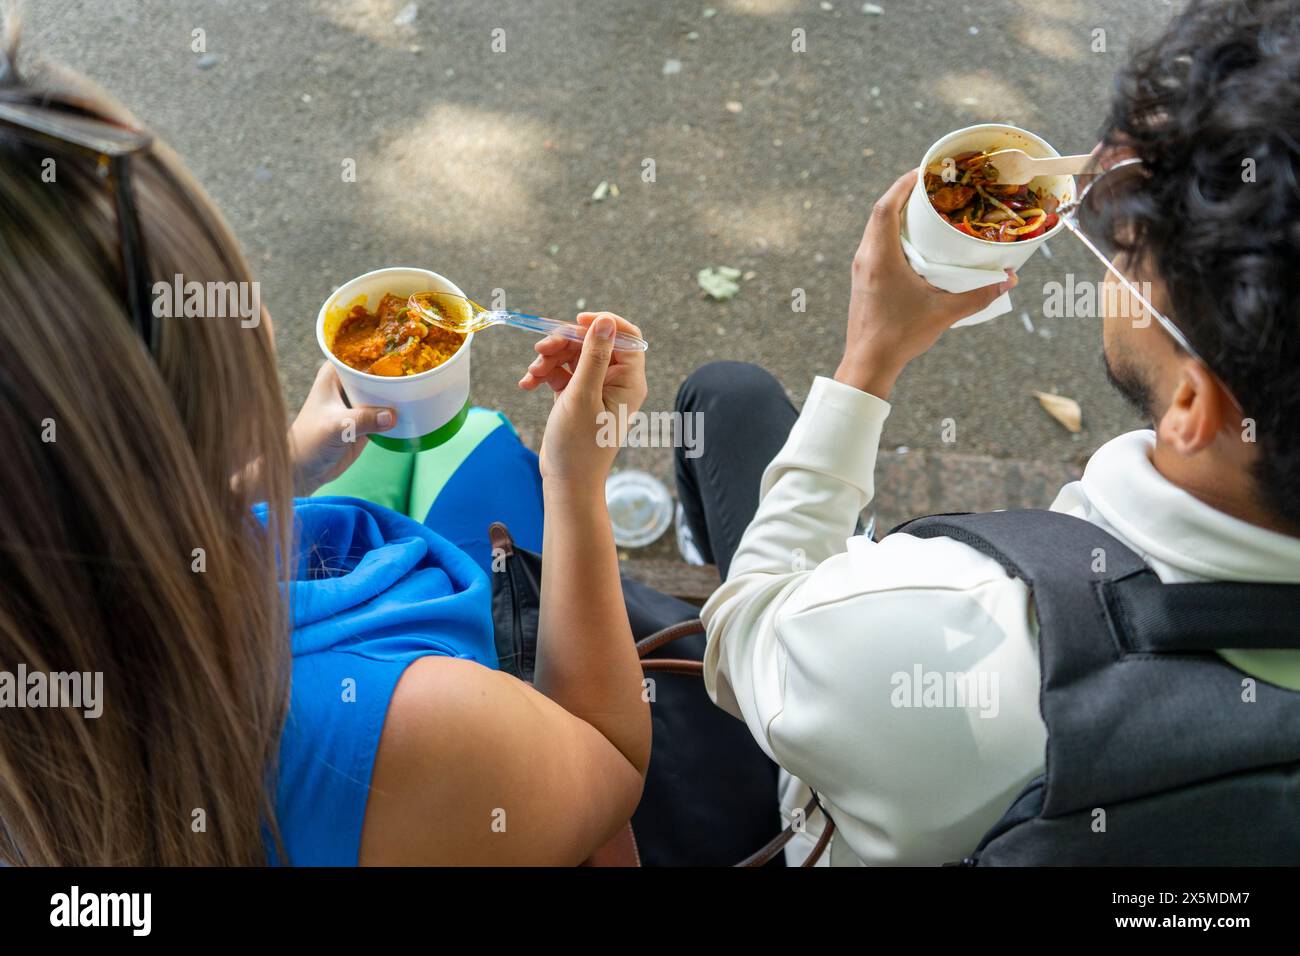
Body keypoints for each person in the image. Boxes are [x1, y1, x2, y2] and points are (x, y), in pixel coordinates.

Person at [0, 22, 651, 866]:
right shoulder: (398, 734)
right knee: (495, 464)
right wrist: (575, 480)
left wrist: (252, 478)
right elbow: (612, 763)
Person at [680, 0, 1300, 865]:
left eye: (1129, 232)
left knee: (725, 398)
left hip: (815, 782)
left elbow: (740, 638)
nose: (1113, 237)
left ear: (1196, 405)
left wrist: (867, 363)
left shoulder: (946, 625)